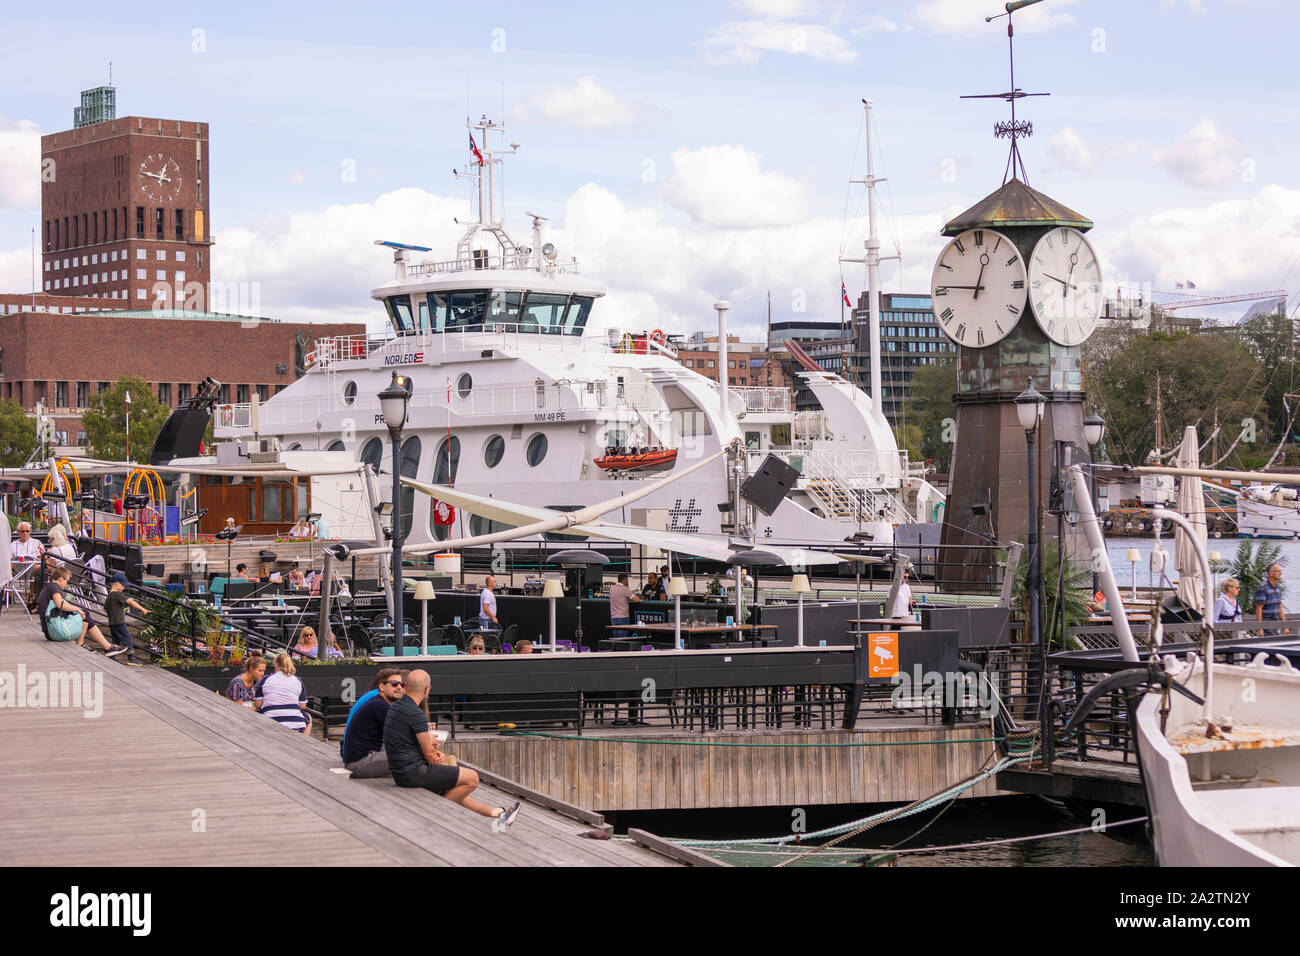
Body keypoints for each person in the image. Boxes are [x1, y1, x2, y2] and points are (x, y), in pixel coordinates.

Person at [383, 669, 520, 825]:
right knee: (472, 778)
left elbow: (407, 740)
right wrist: (437, 755)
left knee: (454, 790)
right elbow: (429, 754)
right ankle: (436, 814)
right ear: (427, 689)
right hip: (413, 773)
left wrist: (431, 747)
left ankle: (499, 814)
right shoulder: (415, 713)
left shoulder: (395, 707)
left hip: (400, 772)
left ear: (405, 685)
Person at [37, 567, 124, 655]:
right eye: (67, 581)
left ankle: (105, 646)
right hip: (54, 631)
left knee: (84, 614)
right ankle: (102, 646)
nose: (67, 585)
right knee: (84, 614)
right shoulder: (54, 586)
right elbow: (60, 604)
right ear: (61, 579)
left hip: (51, 630)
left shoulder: (48, 587)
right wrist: (77, 609)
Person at [341, 667, 405, 778]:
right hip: (358, 765)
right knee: (408, 754)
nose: (399, 687)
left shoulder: (378, 702)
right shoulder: (380, 706)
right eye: (394, 683)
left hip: (360, 760)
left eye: (401, 684)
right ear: (382, 686)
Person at [255, 652, 311, 734]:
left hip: (269, 721)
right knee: (309, 718)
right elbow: (302, 706)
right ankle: (304, 744)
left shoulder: (266, 679)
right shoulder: (298, 680)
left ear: (276, 665)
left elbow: (258, 705)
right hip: (295, 724)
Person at [105, 571, 149, 665]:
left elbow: (105, 609)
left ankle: (111, 657)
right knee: (128, 638)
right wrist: (143, 609)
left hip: (112, 622)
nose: (124, 588)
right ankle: (131, 658)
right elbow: (131, 602)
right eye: (123, 585)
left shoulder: (109, 596)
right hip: (119, 621)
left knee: (116, 641)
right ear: (116, 583)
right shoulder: (117, 595)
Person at [609, 572, 639, 638]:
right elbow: (637, 599)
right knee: (622, 640)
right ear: (625, 580)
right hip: (623, 618)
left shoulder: (612, 589)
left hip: (613, 618)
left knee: (616, 639)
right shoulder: (625, 589)